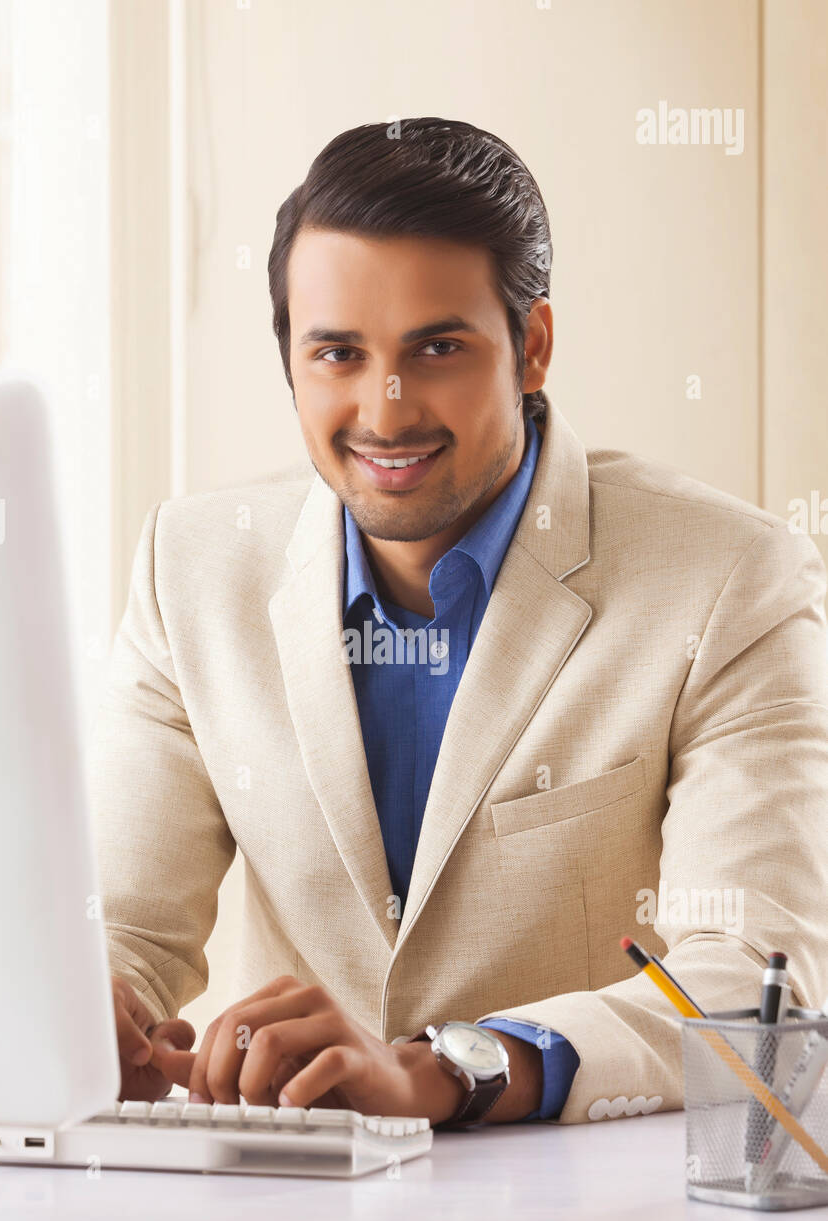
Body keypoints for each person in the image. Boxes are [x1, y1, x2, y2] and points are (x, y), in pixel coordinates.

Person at [93, 117, 828, 1128]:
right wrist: (89, 1013)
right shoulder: (190, 569)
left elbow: (754, 979)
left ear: (530, 348)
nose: (383, 410)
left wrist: (451, 1068)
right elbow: (121, 927)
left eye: (435, 348)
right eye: (337, 354)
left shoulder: (726, 578)